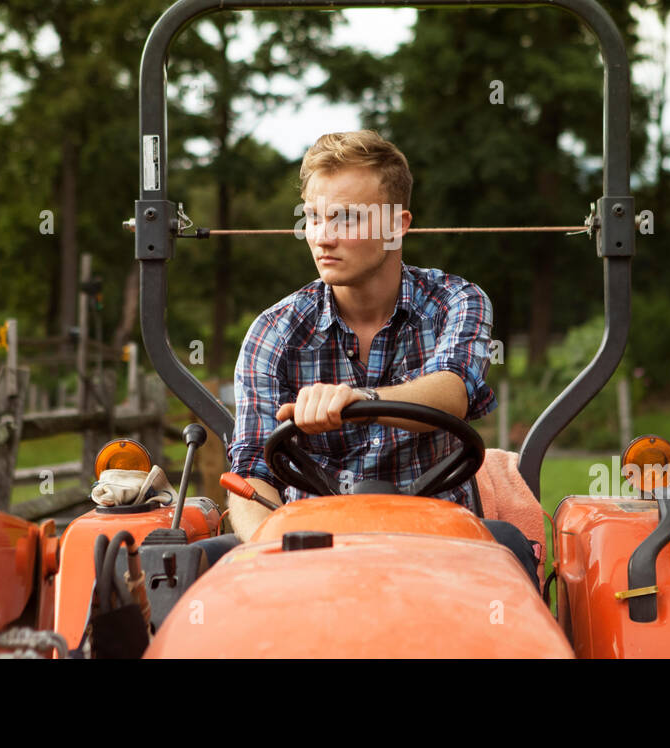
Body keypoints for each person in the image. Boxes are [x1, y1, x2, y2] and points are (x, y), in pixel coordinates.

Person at [195, 130, 539, 588]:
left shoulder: (457, 301)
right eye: (314, 218)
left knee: (510, 546)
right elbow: (252, 472)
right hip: (311, 546)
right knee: (198, 563)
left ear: (397, 224)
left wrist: (356, 400)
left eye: (346, 219)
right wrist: (273, 547)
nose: (322, 237)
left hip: (438, 538)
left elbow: (452, 393)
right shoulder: (274, 331)